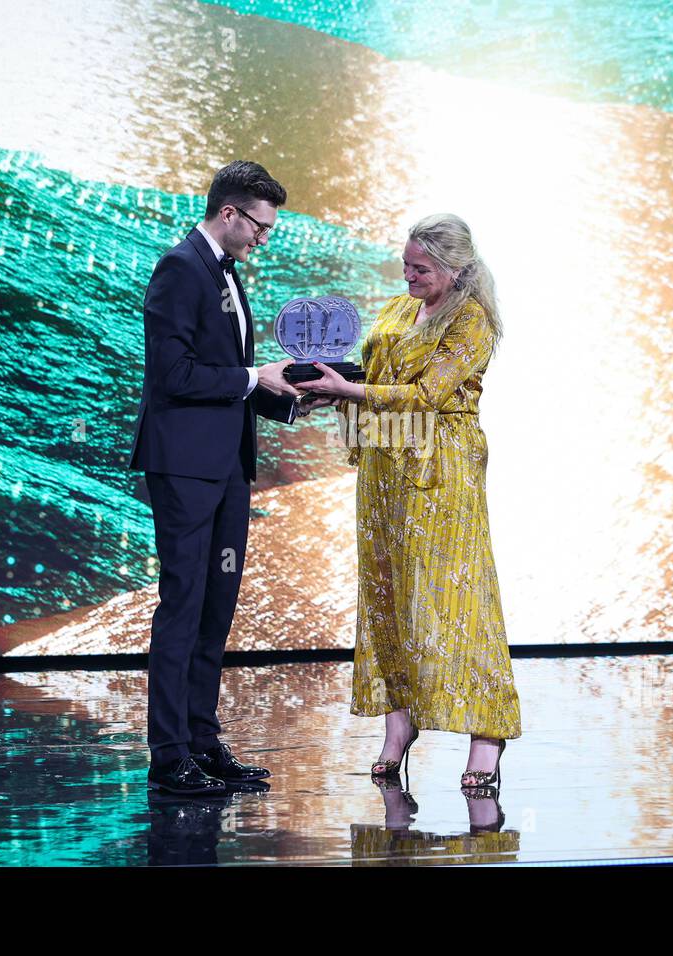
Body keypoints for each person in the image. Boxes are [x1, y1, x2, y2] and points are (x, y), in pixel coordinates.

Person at [298, 213, 522, 790]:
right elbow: (370, 375)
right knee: (388, 593)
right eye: (405, 265)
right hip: (384, 470)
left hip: (441, 472)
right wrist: (327, 387)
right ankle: (398, 725)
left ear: (455, 268)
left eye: (421, 269)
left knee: (454, 597)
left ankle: (486, 734)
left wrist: (348, 390)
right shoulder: (400, 310)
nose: (409, 277)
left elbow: (428, 394)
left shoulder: (472, 319)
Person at [127, 159, 307, 795]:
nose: (264, 238)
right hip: (184, 469)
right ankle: (169, 754)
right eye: (260, 227)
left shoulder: (225, 273)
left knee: (216, 607)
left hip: (227, 468)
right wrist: (250, 378)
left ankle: (203, 742)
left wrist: (284, 395)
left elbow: (229, 374)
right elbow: (172, 376)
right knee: (182, 606)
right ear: (228, 214)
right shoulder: (181, 268)